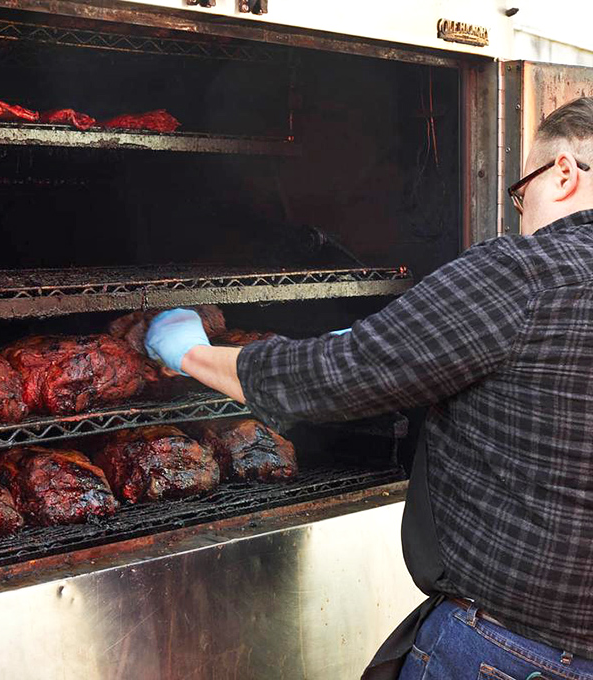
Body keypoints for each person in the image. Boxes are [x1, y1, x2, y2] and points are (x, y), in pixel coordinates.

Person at [145, 96, 593, 679]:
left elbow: (337, 381)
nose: (519, 215)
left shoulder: (530, 271)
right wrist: (383, 340)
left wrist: (192, 354)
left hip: (506, 652)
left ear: (562, 174)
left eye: (519, 193)